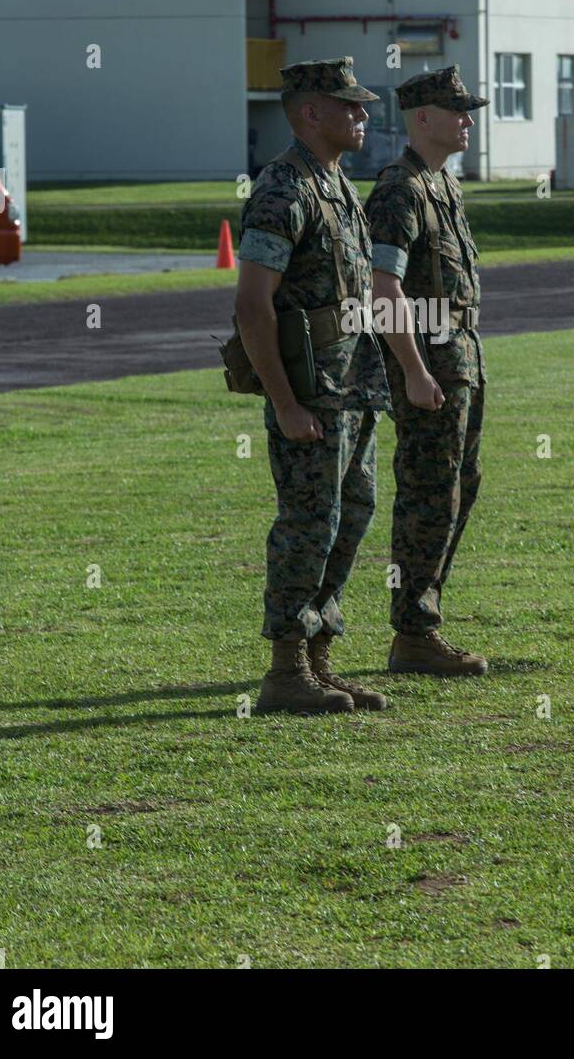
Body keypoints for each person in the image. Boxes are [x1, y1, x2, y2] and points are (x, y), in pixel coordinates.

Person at [235, 57, 390, 714]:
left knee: (351, 514)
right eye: (347, 104)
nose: (361, 114)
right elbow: (251, 306)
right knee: (307, 522)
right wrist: (286, 403)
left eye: (361, 104)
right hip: (312, 391)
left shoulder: (338, 184)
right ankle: (284, 670)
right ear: (309, 112)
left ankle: (320, 659)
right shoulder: (283, 187)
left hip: (352, 382)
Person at [365, 65, 489, 677]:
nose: (468, 119)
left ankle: (422, 619)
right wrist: (413, 369)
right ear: (422, 118)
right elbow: (382, 285)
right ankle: (413, 632)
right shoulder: (400, 189)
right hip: (429, 370)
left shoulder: (442, 185)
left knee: (458, 487)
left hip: (459, 360)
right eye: (457, 109)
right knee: (427, 493)